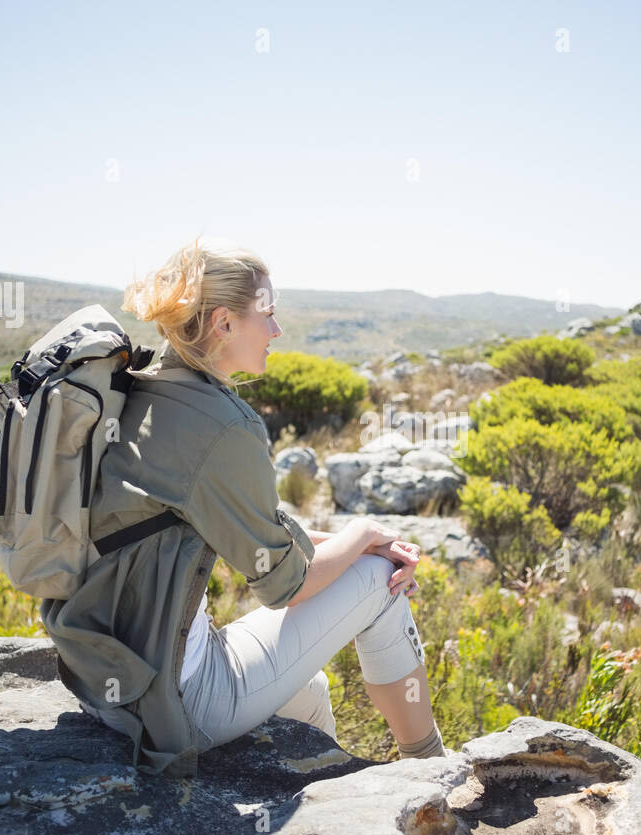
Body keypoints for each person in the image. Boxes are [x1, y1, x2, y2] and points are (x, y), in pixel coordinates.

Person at [47, 234, 446, 771]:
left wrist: (363, 540)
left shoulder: (139, 393)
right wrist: (364, 538)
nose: (277, 330)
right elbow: (286, 585)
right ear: (224, 323)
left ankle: (327, 792)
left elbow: (255, 532)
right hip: (176, 700)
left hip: (103, 683)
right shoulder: (224, 427)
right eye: (269, 314)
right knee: (381, 579)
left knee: (310, 695)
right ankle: (431, 769)